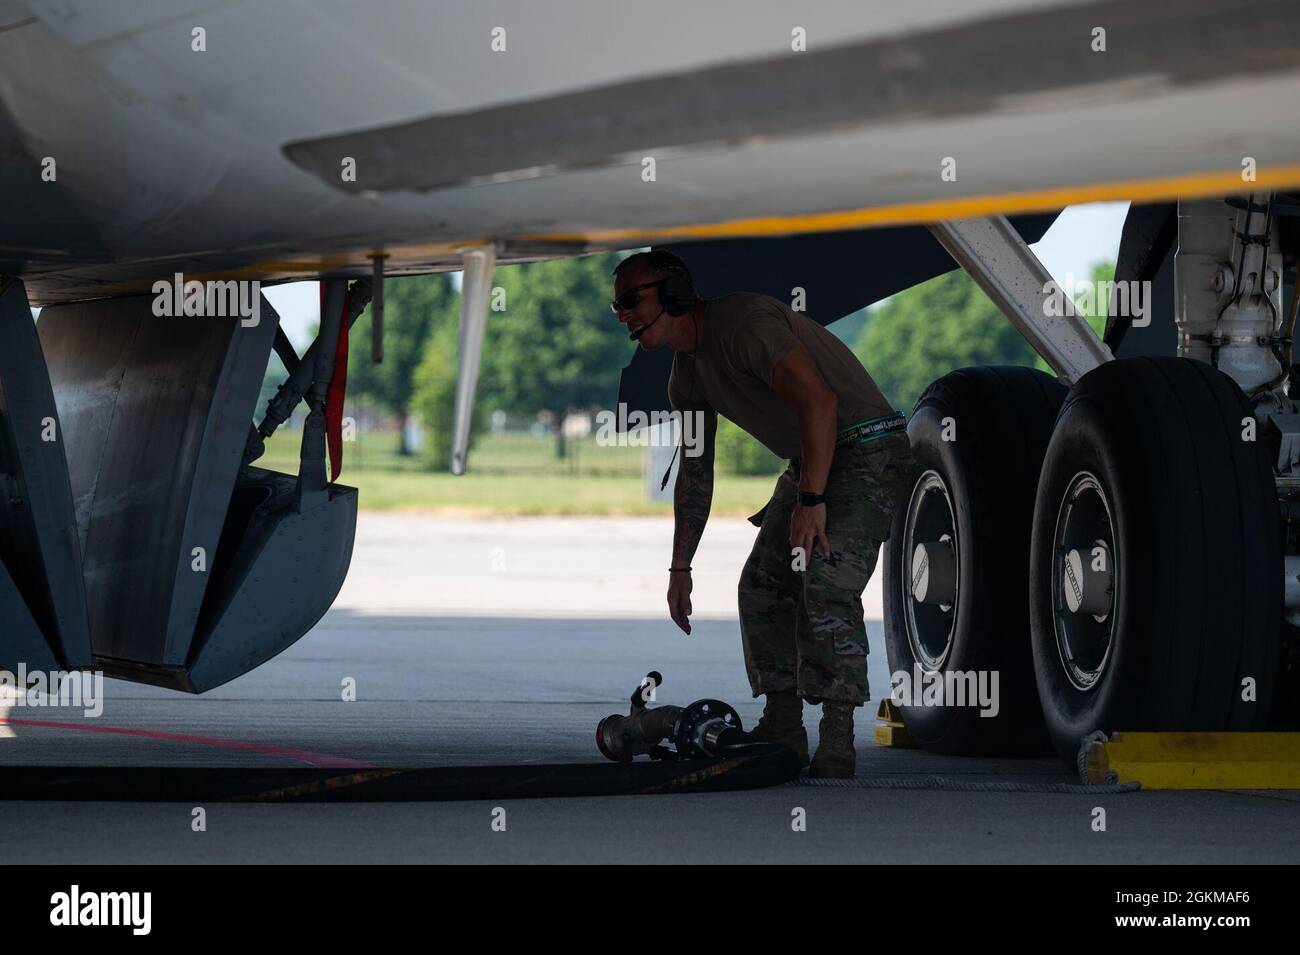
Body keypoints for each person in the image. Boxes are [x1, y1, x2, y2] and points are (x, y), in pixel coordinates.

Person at [610, 249, 915, 777]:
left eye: (633, 299)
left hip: (866, 449)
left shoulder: (745, 325)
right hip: (813, 462)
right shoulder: (685, 377)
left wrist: (812, 502)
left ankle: (837, 738)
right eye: (618, 307)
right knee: (762, 586)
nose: (625, 314)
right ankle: (782, 725)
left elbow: (819, 402)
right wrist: (680, 568)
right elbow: (696, 475)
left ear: (675, 293)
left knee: (825, 581)